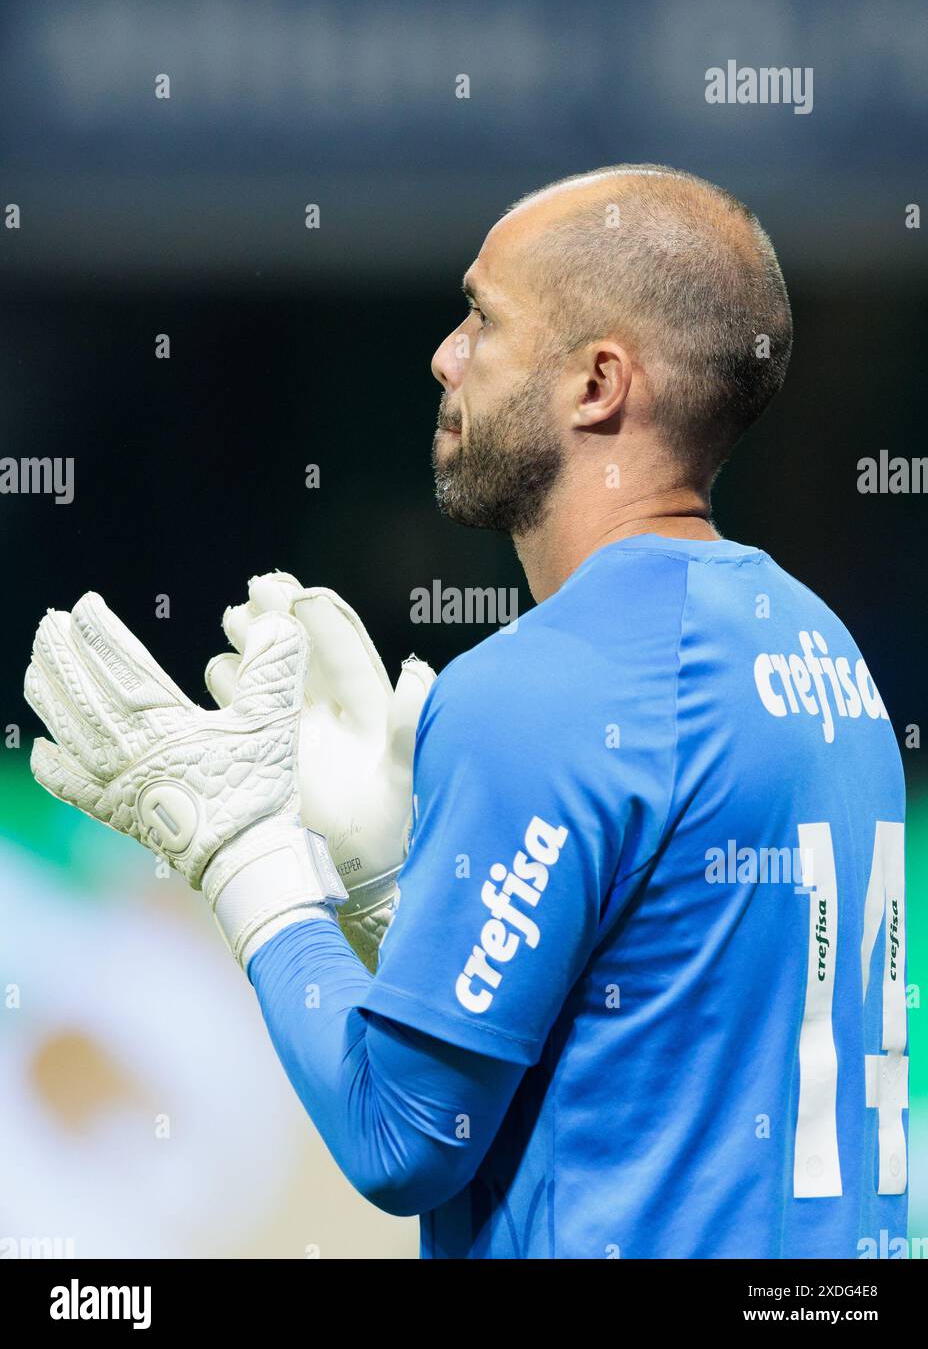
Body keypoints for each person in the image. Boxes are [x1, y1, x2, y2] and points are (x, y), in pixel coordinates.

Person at [27, 165, 907, 1259]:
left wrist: (245, 856)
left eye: (483, 318)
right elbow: (650, 1042)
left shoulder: (546, 685)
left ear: (596, 385)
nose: (445, 355)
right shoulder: (823, 646)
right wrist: (401, 894)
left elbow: (401, 1136)